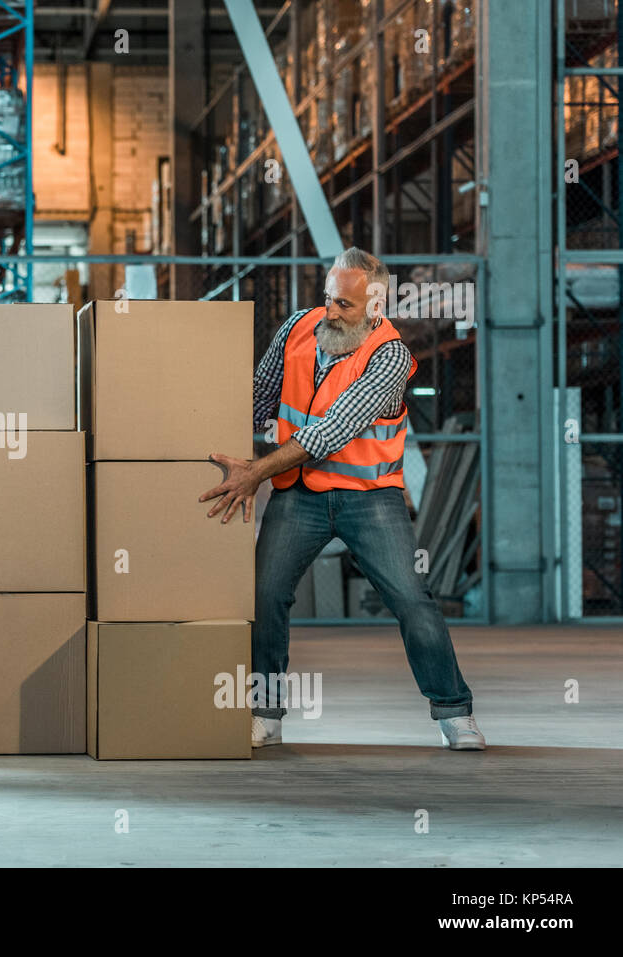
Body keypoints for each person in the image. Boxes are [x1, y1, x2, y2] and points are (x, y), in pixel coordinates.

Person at [199, 247, 485, 751]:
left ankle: (454, 712)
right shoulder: (297, 328)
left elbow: (331, 431)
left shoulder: (390, 356)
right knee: (265, 595)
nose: (331, 311)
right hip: (300, 494)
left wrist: (256, 474)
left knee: (411, 600)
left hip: (369, 498)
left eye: (345, 305)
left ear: (375, 306)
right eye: (329, 298)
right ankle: (265, 714)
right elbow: (258, 397)